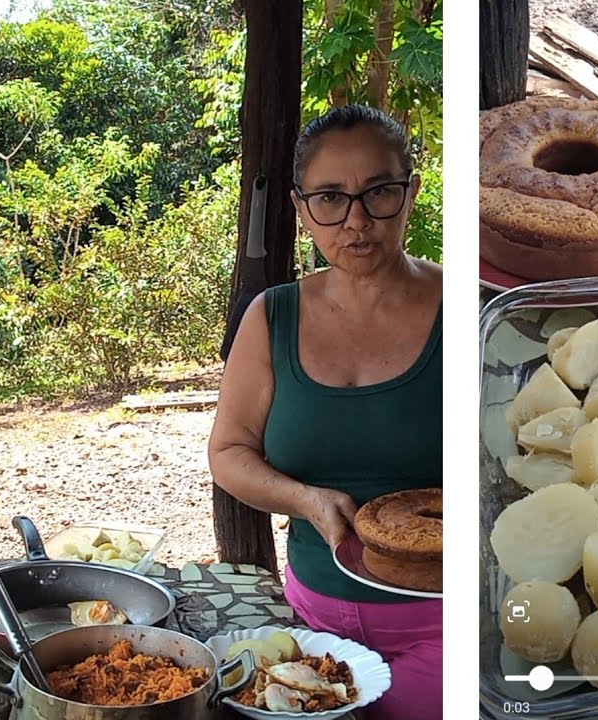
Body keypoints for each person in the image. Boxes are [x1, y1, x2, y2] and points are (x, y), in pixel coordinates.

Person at [208, 104, 442, 720]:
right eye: (331, 198)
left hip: (443, 626)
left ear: (411, 192)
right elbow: (229, 452)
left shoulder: (465, 305)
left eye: (379, 193)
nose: (357, 220)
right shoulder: (272, 316)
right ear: (300, 207)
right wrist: (306, 500)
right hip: (311, 624)